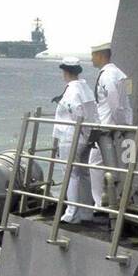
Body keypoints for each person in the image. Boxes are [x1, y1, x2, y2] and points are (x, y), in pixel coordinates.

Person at [52, 58, 98, 223]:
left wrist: (81, 132)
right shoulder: (85, 88)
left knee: (70, 174)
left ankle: (71, 213)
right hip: (86, 136)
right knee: (84, 174)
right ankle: (86, 212)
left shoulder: (72, 91)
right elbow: (92, 113)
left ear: (66, 71)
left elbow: (76, 112)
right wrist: (88, 134)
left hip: (71, 136)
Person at [88, 42, 133, 212]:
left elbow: (115, 104)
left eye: (93, 55)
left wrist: (119, 126)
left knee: (95, 163)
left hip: (109, 128)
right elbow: (127, 99)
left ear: (100, 55)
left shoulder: (107, 76)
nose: (92, 58)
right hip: (121, 127)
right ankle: (117, 199)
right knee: (123, 164)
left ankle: (100, 204)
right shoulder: (121, 74)